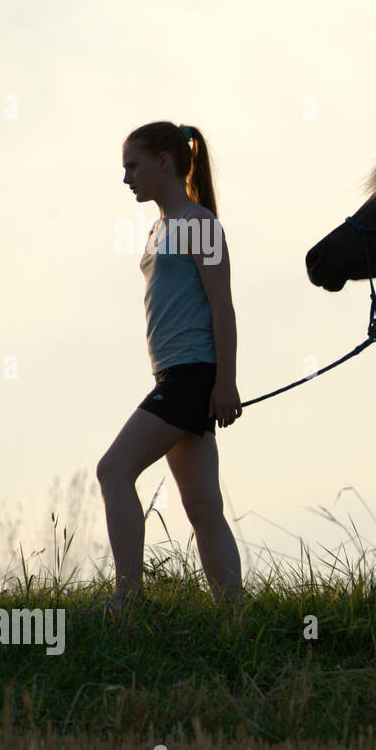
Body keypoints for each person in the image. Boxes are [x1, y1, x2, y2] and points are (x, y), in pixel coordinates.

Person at [97, 121, 243, 609]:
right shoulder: (161, 227)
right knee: (203, 506)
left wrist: (226, 383)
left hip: (192, 376)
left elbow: (222, 306)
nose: (126, 179)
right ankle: (235, 611)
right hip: (175, 376)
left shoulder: (198, 223)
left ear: (164, 161)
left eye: (132, 166)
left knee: (113, 470)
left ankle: (127, 598)